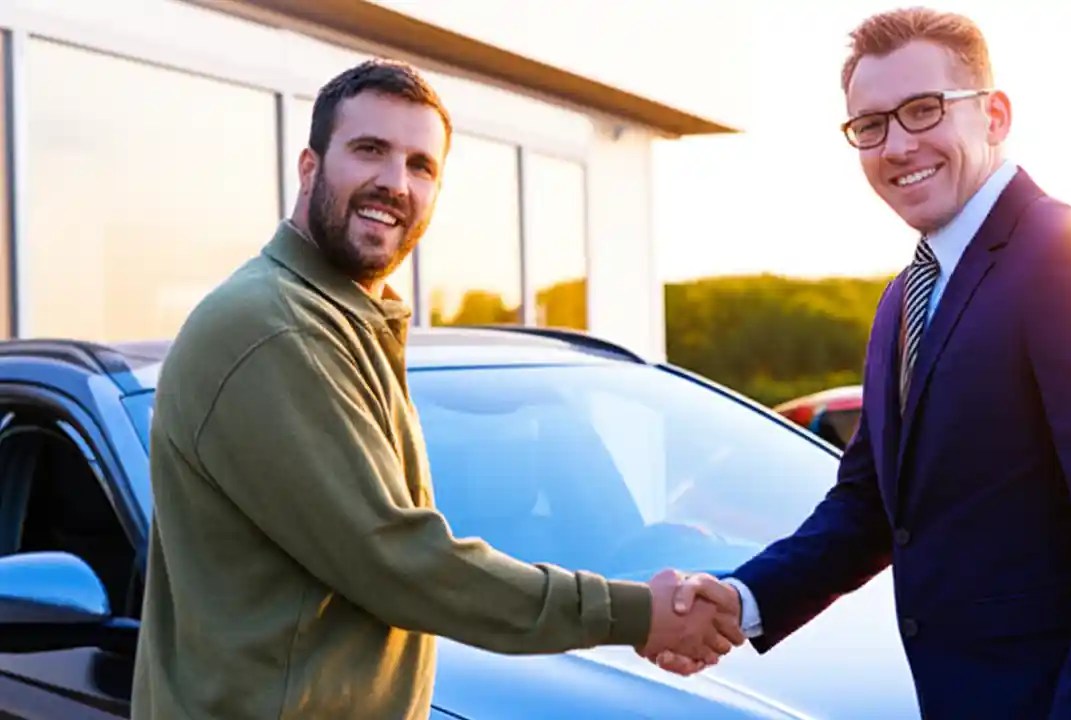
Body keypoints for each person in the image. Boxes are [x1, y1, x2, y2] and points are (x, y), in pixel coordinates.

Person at [129, 58, 742, 719]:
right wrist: (632, 613)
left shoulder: (342, 319)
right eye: (370, 150)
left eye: (422, 165)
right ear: (309, 168)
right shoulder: (273, 328)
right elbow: (398, 560)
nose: (395, 183)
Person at [653, 7, 1071, 719]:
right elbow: (870, 505)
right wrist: (745, 598)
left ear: (994, 115)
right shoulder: (905, 296)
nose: (897, 146)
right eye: (870, 126)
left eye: (922, 111)